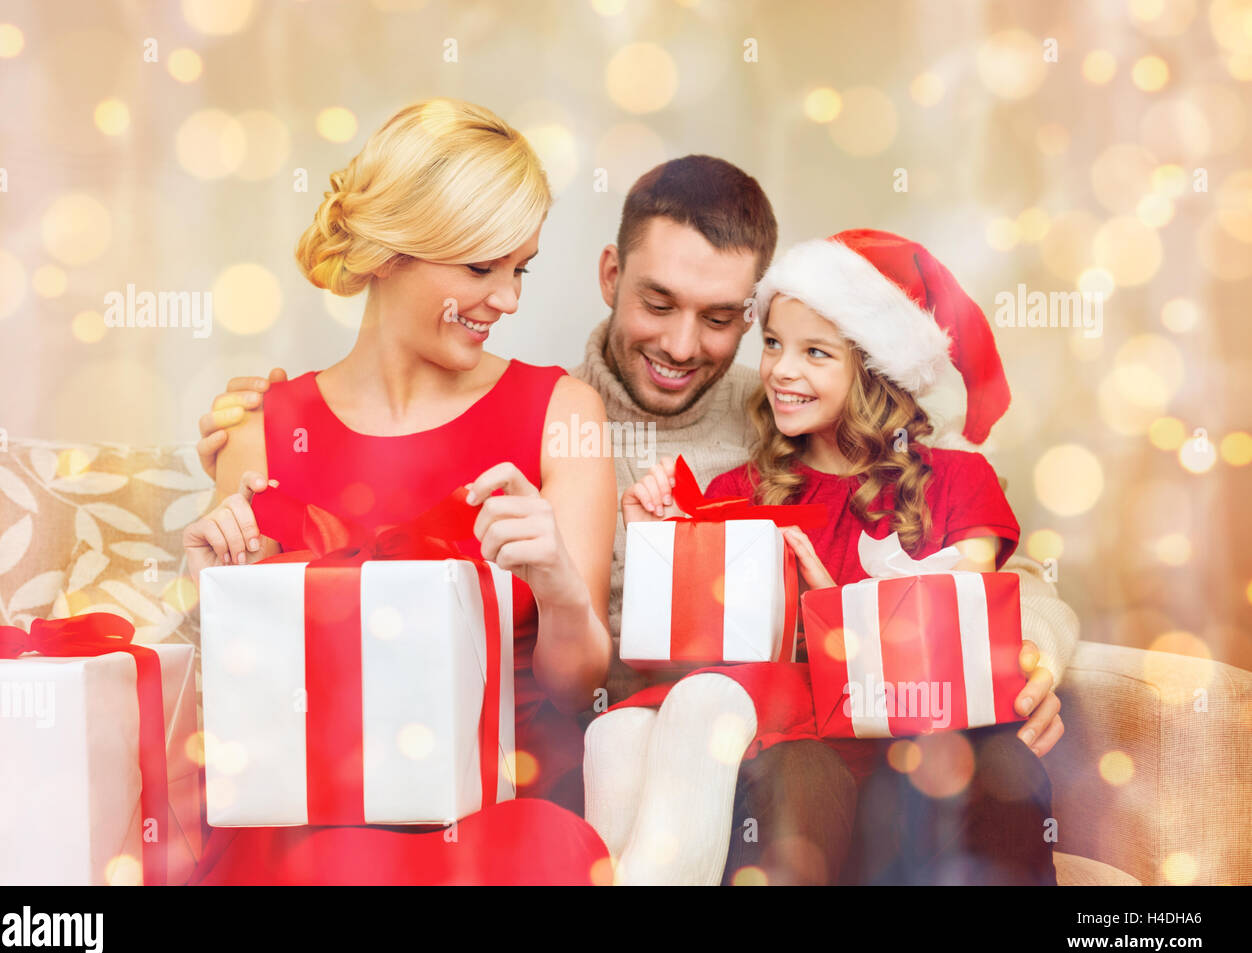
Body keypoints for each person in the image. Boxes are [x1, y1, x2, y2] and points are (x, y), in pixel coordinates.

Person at [195, 157, 1078, 885]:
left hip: (773, 734)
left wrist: (1024, 658)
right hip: (601, 739)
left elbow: (960, 529)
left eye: (725, 319)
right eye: (659, 304)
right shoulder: (544, 412)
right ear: (611, 277)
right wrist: (266, 458)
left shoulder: (792, 405)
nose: (686, 345)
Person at [182, 97, 614, 884]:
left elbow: (577, 684)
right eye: (481, 268)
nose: (510, 300)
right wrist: (208, 575)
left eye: (521, 269)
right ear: (387, 253)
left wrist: (556, 584)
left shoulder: (562, 413)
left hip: (499, 799)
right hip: (320, 807)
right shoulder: (261, 427)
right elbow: (246, 682)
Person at [591, 230, 1060, 885]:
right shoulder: (739, 494)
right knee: (776, 765)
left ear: (875, 370)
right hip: (795, 761)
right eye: (775, 343)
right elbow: (692, 673)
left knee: (997, 764)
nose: (781, 370)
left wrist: (832, 612)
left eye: (816, 352)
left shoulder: (954, 480)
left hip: (915, 759)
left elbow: (985, 619)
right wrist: (664, 551)